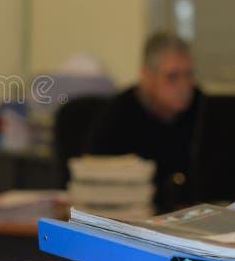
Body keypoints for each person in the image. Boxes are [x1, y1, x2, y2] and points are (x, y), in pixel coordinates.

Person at [87, 32, 203, 213]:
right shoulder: (118, 115)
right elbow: (96, 181)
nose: (184, 85)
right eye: (172, 77)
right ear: (146, 76)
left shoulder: (201, 107)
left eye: (188, 75)